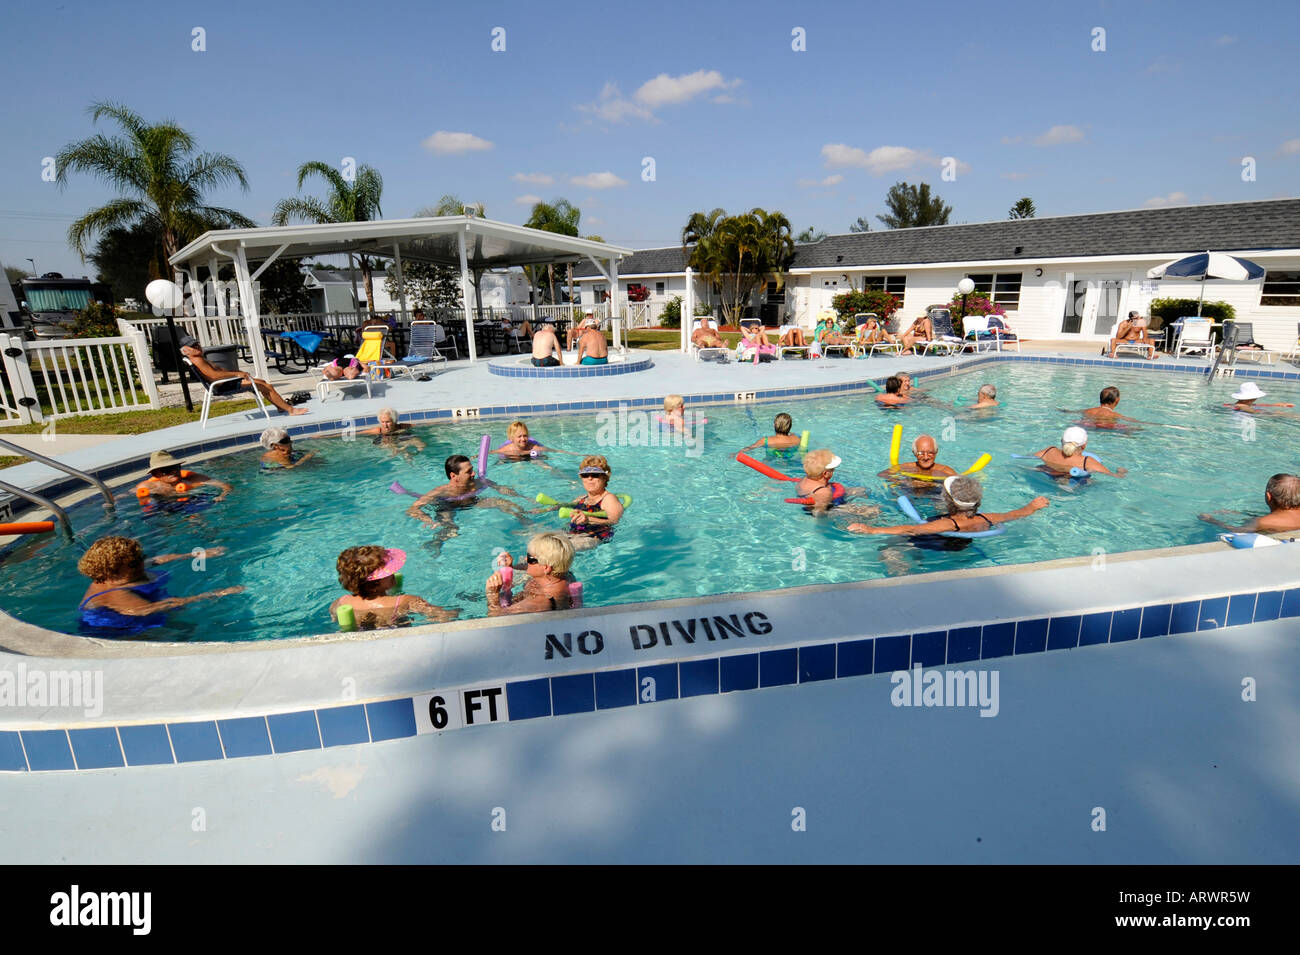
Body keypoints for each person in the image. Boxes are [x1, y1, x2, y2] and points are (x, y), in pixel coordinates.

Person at [77, 536, 243, 636]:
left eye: (141, 557)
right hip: (114, 628)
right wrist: (216, 594)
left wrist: (195, 555)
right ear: (111, 570)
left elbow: (158, 559)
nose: (142, 563)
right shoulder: (115, 594)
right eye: (136, 562)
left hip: (135, 605)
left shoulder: (123, 570)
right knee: (188, 630)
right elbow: (158, 607)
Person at [848, 475, 1049, 537]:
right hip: (963, 542)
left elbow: (913, 529)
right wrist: (1032, 506)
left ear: (948, 500)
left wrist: (872, 529)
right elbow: (1013, 514)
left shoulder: (947, 524)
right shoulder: (987, 517)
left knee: (889, 550)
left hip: (939, 547)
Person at [407, 454, 526, 553]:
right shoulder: (441, 491)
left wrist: (524, 498)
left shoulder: (478, 483)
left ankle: (526, 521)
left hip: (471, 501)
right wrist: (428, 520)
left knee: (501, 502)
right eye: (469, 472)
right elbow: (412, 509)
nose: (474, 474)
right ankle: (435, 544)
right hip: (447, 506)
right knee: (452, 529)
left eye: (472, 470)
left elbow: (501, 488)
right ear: (454, 476)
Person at [330, 546, 457, 630]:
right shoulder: (405, 601)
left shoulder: (340, 602)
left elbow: (334, 620)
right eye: (387, 572)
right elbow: (444, 616)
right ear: (375, 582)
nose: (392, 572)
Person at [179, 336, 308, 416]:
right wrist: (237, 373)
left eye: (197, 344)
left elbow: (216, 373)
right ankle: (291, 410)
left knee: (262, 382)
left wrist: (236, 374)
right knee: (266, 386)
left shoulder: (199, 358)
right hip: (224, 385)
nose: (197, 347)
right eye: (192, 346)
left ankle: (280, 406)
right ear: (185, 351)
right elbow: (214, 375)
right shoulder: (198, 360)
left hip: (226, 382)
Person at [486, 533, 578, 616]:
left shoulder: (541, 602)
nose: (526, 559)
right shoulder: (563, 574)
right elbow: (540, 566)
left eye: (530, 559)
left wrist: (492, 595)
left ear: (546, 568)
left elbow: (497, 618)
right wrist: (511, 566)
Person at [1199, 473, 1300, 534]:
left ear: (1269, 496)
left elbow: (1236, 531)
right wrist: (1239, 513)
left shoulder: (1262, 522)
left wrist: (1212, 520)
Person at [565, 455, 624, 549]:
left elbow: (614, 521)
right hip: (573, 533)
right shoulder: (582, 498)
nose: (589, 478)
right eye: (585, 475)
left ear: (604, 478)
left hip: (594, 536)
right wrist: (547, 509)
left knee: (561, 548)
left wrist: (589, 520)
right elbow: (565, 506)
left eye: (595, 475)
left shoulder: (609, 499)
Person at [136, 450, 231, 502]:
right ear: (156, 474)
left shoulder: (195, 479)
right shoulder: (149, 487)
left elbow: (226, 486)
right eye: (167, 470)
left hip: (195, 501)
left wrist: (222, 496)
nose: (173, 471)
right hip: (165, 506)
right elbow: (126, 495)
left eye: (176, 467)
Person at [1035, 426, 1126, 476]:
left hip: (1047, 475)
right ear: (1084, 445)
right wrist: (1121, 472)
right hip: (1072, 483)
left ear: (1061, 441)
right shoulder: (1087, 462)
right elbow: (1115, 476)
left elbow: (1029, 457)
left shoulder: (1049, 450)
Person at [878, 434, 957, 483]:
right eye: (921, 453)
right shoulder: (907, 467)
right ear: (914, 453)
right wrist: (901, 481)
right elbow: (882, 474)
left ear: (936, 452)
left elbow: (961, 484)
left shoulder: (945, 471)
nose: (926, 457)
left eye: (930, 453)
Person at [492, 420, 574, 461]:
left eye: (525, 436)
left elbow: (553, 450)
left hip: (529, 457)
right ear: (511, 439)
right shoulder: (507, 449)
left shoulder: (532, 447)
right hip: (512, 459)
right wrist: (478, 455)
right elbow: (491, 452)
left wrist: (573, 454)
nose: (523, 439)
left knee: (542, 463)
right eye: (519, 436)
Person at [360, 407, 426, 454]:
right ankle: (404, 452)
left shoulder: (401, 426)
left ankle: (414, 454)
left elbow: (421, 426)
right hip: (385, 440)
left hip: (400, 438)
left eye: (388, 422)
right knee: (388, 444)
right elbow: (359, 434)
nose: (385, 425)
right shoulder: (378, 430)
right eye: (382, 422)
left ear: (394, 421)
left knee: (421, 444)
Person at [1228, 381, 1295, 414]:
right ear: (1252, 398)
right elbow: (1254, 412)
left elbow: (1254, 405)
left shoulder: (1241, 404)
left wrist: (1276, 405)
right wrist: (1276, 413)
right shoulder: (1242, 406)